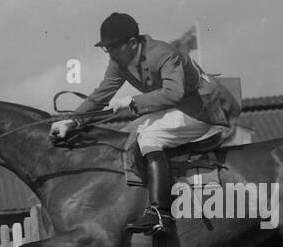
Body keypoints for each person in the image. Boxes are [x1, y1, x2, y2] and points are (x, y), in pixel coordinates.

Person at [50, 12, 242, 233]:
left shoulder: (163, 54)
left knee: (149, 137)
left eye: (112, 46)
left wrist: (130, 100)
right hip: (176, 107)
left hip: (203, 108)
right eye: (106, 48)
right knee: (126, 136)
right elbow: (100, 96)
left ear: (132, 43)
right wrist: (71, 122)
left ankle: (161, 213)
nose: (109, 52)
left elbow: (173, 93)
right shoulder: (118, 61)